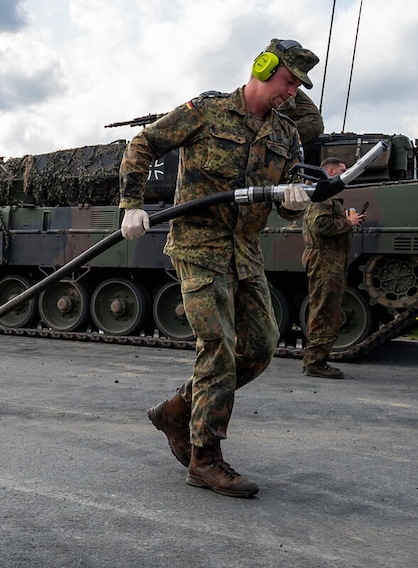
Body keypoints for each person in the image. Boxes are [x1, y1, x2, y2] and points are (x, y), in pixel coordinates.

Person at [119, 38, 320, 498]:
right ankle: (204, 457)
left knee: (263, 346)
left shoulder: (285, 135)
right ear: (264, 67)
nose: (292, 92)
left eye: (298, 86)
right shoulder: (206, 111)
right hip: (197, 247)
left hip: (245, 253)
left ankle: (176, 409)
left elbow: (287, 204)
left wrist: (295, 200)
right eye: (288, 81)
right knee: (218, 345)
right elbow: (143, 143)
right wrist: (132, 204)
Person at [301, 157, 366, 378]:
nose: (345, 174)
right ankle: (315, 362)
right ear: (330, 171)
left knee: (328, 309)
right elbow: (320, 225)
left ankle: (316, 359)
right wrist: (348, 223)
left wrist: (351, 222)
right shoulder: (322, 194)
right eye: (342, 171)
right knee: (324, 310)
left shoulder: (328, 195)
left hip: (332, 260)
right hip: (325, 261)